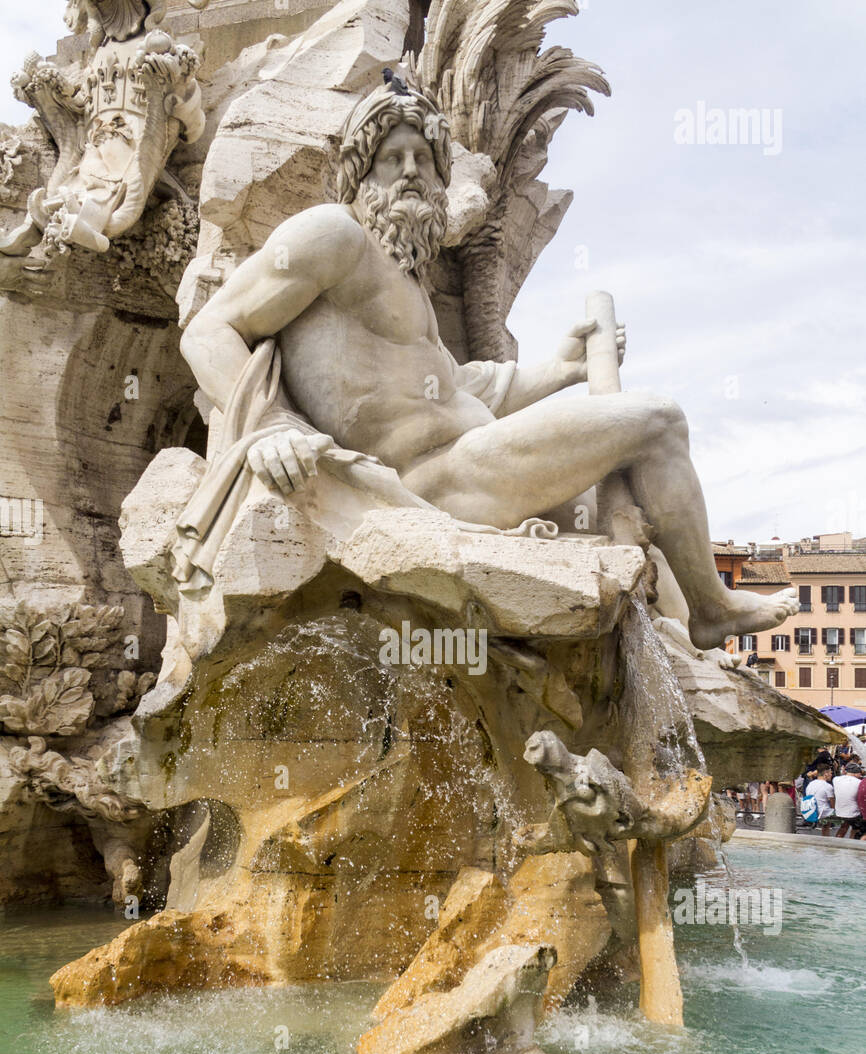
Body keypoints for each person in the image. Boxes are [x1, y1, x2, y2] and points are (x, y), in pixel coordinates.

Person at [178, 75, 800, 650]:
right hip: (433, 481)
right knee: (659, 421)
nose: (411, 173)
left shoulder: (407, 279)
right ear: (359, 174)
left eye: (424, 160)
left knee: (638, 522)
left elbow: (459, 389)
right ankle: (714, 606)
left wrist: (561, 369)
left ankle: (683, 664)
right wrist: (271, 427)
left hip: (481, 466)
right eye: (392, 159)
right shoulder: (333, 236)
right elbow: (209, 328)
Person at [834, 762, 865, 839]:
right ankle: (852, 841)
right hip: (853, 814)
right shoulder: (859, 782)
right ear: (855, 773)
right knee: (856, 828)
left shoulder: (836, 779)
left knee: (844, 827)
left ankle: (837, 842)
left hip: (839, 811)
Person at [804, 766, 836, 837]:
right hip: (823, 812)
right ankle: (826, 838)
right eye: (830, 773)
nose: (832, 775)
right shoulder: (828, 786)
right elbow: (832, 803)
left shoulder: (810, 784)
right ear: (826, 774)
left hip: (810, 811)